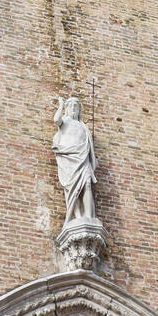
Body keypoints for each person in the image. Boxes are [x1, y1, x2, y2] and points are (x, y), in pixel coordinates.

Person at [52, 96, 97, 230]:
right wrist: (61, 105)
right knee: (72, 188)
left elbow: (89, 145)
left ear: (79, 110)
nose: (73, 109)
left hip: (83, 158)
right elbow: (56, 120)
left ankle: (89, 216)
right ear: (67, 109)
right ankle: (77, 216)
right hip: (69, 158)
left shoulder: (84, 126)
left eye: (76, 107)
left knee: (87, 183)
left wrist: (92, 158)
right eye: (70, 107)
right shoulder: (64, 121)